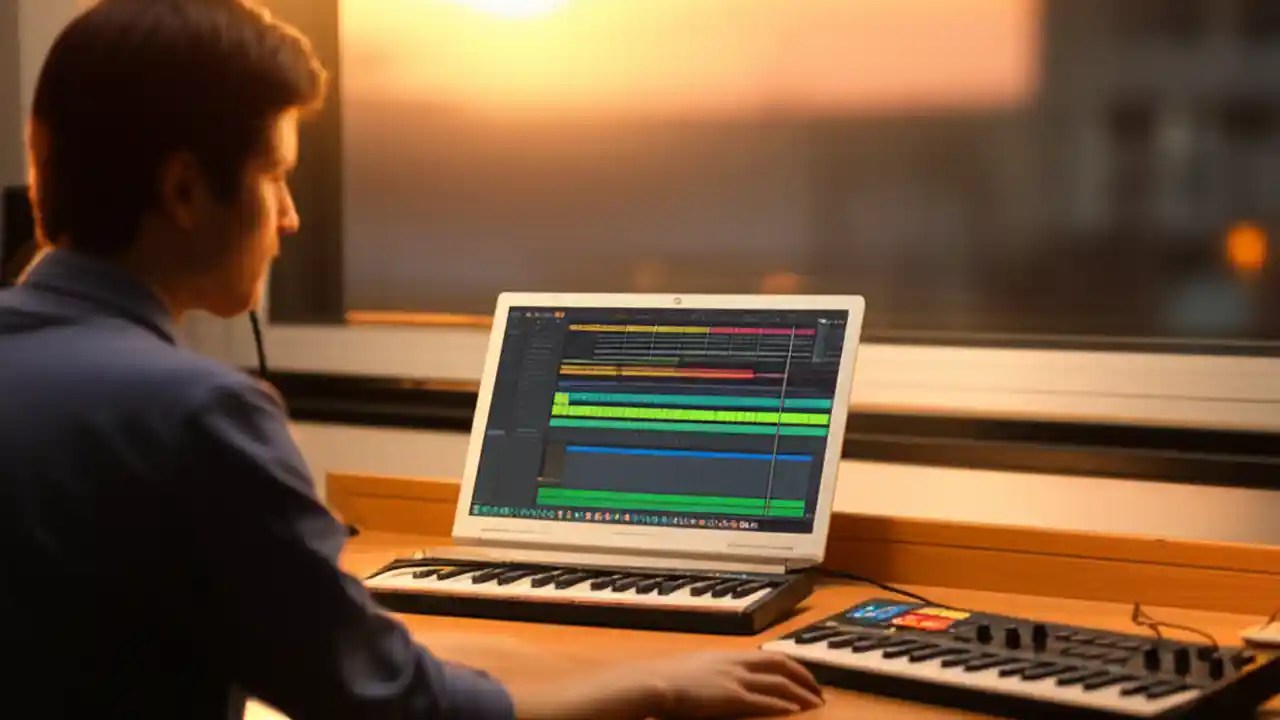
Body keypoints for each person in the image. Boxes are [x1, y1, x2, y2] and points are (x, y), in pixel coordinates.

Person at [0, 1, 825, 718]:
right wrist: (658, 687)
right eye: (277, 175)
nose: (289, 219)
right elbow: (392, 704)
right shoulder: (191, 416)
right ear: (184, 192)